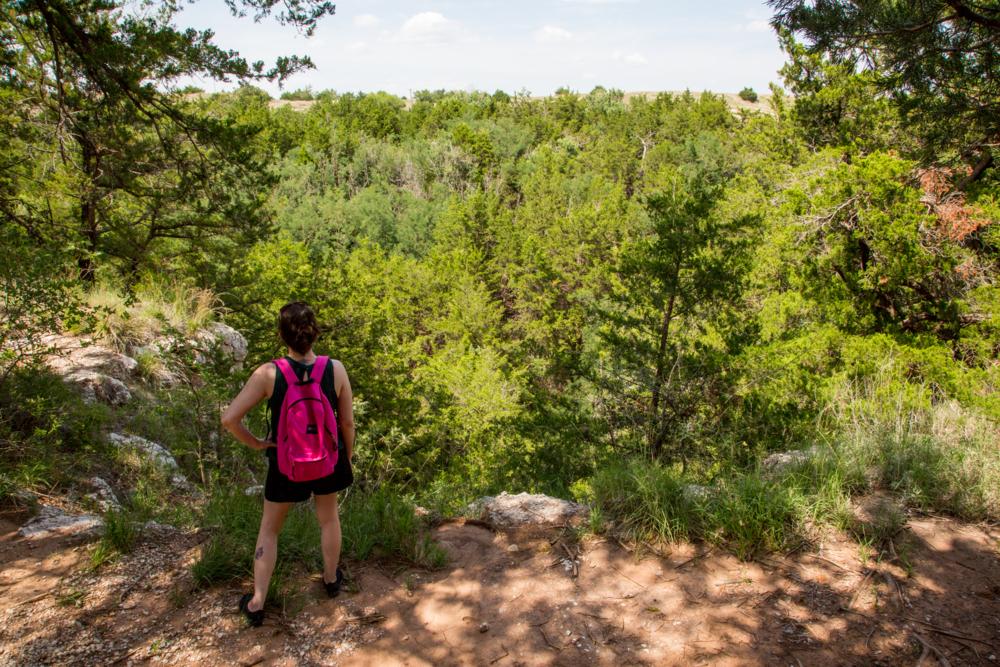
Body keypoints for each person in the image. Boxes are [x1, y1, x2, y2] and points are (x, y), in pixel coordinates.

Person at [221, 301, 355, 627]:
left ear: (282, 335)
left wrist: (258, 443)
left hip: (285, 463)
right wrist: (345, 457)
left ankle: (256, 603)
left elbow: (229, 419)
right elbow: (348, 423)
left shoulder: (269, 373)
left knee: (269, 529)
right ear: (315, 332)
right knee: (328, 518)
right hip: (327, 459)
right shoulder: (334, 369)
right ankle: (330, 579)